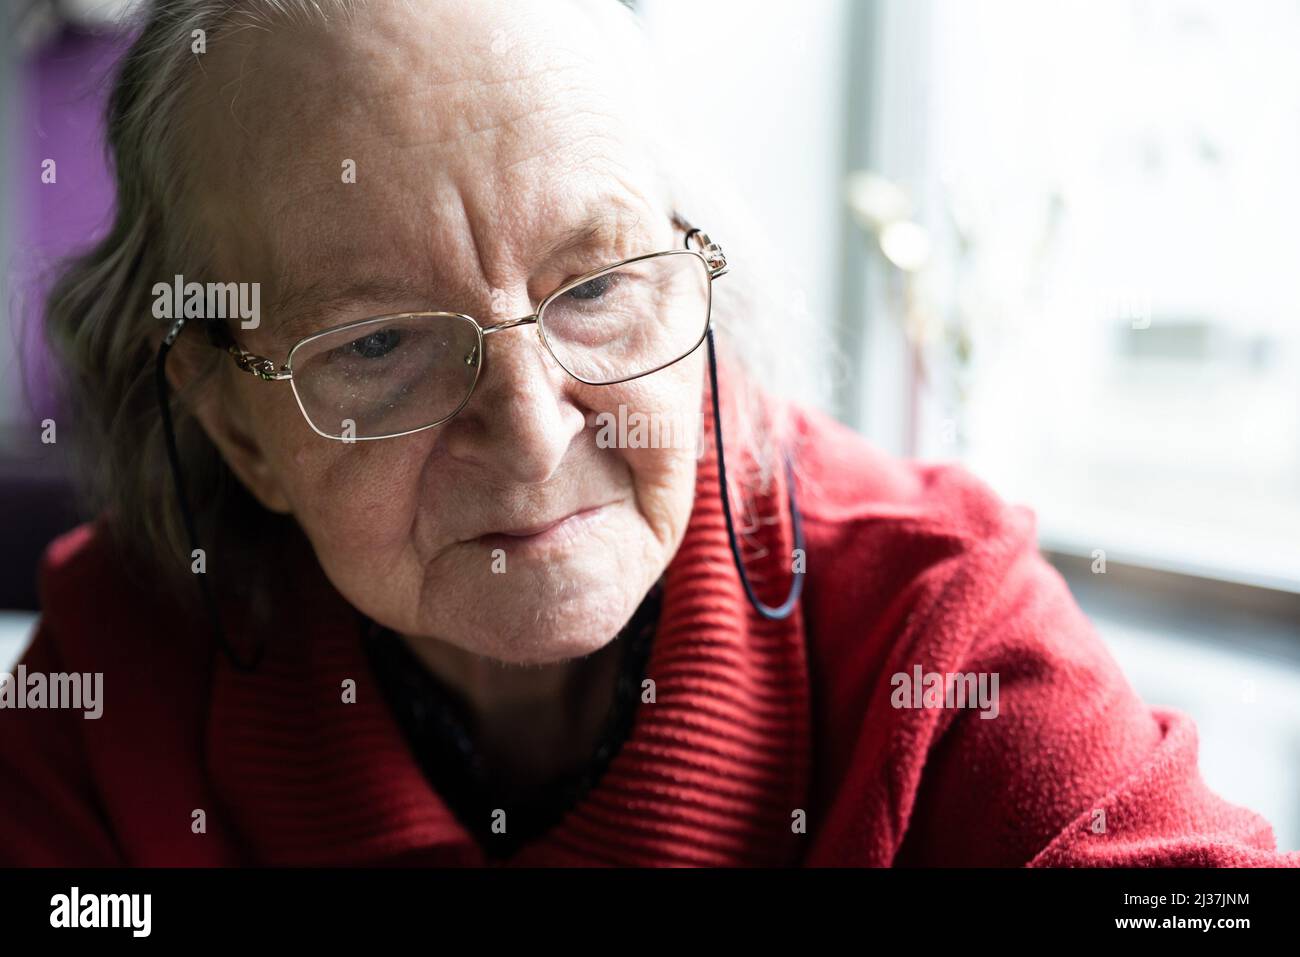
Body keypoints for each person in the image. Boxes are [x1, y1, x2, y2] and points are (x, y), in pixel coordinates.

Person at [2, 0, 1295, 867]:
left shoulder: (933, 621)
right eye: (379, 345)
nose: (528, 426)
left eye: (600, 286)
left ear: (698, 276)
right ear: (239, 425)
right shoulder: (121, 676)